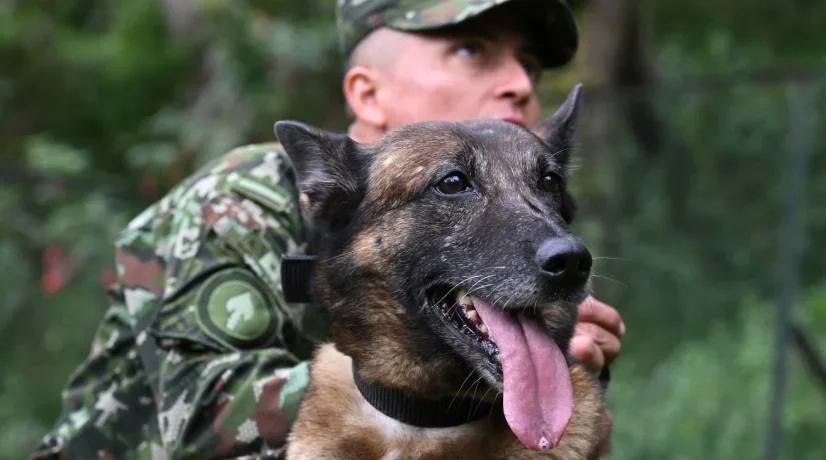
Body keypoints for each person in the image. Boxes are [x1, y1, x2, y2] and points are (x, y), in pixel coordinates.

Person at [31, 0, 625, 458]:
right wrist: (407, 390)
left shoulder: (518, 219)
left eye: (529, 62)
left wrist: (546, 364)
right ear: (367, 92)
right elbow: (199, 414)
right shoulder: (240, 200)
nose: (520, 83)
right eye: (473, 50)